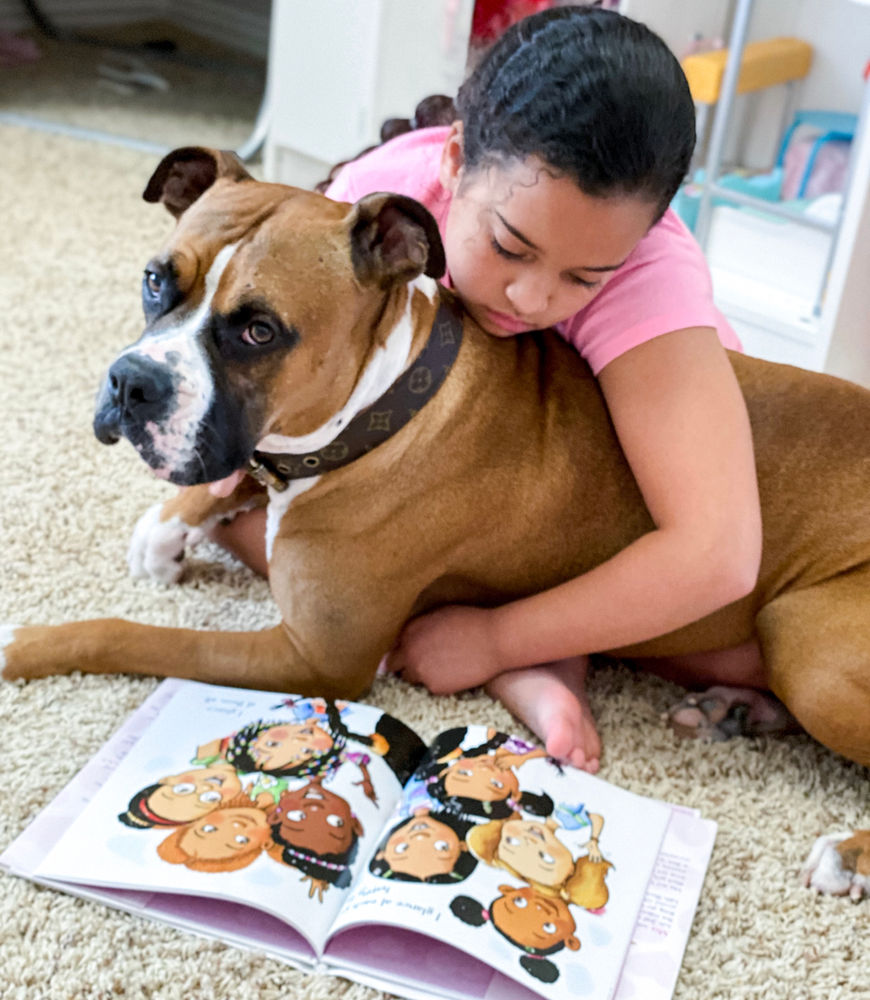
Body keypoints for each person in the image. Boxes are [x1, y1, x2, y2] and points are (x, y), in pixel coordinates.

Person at [211, 6, 765, 774]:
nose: (533, 298)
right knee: (244, 521)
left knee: (729, 647)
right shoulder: (370, 207)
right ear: (455, 160)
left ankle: (541, 652)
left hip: (600, 499)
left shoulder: (652, 280)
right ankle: (533, 650)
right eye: (510, 246)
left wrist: (495, 640)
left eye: (583, 278)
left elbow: (718, 556)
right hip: (456, 483)